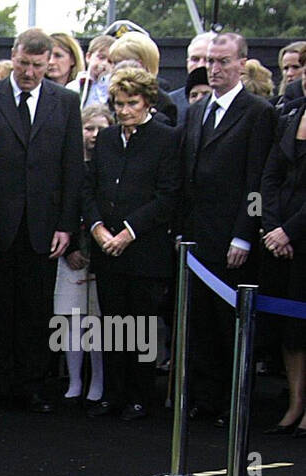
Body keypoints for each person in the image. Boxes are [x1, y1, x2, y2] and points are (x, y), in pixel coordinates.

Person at [0, 28, 83, 412]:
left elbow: (72, 168)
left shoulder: (66, 102)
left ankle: (32, 385)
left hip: (44, 227)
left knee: (36, 309)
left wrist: (67, 226)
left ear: (49, 63)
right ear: (13, 56)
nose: (29, 72)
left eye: (38, 65)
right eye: (24, 63)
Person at [178, 32, 276, 424]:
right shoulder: (197, 111)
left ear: (241, 64)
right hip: (196, 236)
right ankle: (205, 398)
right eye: (209, 61)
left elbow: (258, 181)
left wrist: (244, 235)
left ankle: (234, 404)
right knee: (199, 322)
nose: (214, 69)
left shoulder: (258, 112)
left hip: (232, 237)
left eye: (222, 61)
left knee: (229, 325)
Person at [84, 69, 181, 421]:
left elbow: (167, 196)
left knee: (140, 325)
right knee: (112, 323)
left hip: (144, 251)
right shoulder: (107, 138)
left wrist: (127, 232)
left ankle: (140, 397)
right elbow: (90, 187)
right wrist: (97, 228)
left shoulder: (167, 139)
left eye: (132, 103)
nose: (124, 110)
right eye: (119, 104)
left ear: (148, 102)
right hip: (106, 247)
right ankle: (113, 394)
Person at [57, 103, 111, 408]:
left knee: (98, 320)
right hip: (70, 254)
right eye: (89, 128)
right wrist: (71, 249)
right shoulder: (69, 164)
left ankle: (98, 379)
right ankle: (75, 380)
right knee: (71, 318)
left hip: (102, 252)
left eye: (101, 129)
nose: (94, 135)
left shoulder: (111, 164)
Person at [259, 98, 306, 435]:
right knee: (290, 329)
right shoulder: (290, 115)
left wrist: (289, 230)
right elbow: (270, 176)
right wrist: (274, 228)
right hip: (281, 242)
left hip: (297, 234)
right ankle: (295, 403)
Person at [107, 32, 178, 126]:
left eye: (118, 63)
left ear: (140, 65)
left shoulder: (163, 104)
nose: (112, 68)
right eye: (111, 63)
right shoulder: (110, 98)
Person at [168, 31, 217, 115]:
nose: (201, 65)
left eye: (208, 60)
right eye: (195, 59)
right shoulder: (171, 102)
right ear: (187, 63)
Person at [79, 35, 114, 107]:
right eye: (101, 57)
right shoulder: (75, 86)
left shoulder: (114, 88)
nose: (105, 63)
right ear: (88, 57)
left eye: (110, 61)